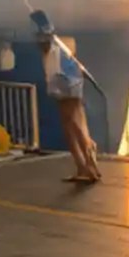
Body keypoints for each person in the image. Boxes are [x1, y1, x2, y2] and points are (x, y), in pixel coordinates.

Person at [38, 30, 101, 183]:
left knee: (70, 123)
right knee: (75, 121)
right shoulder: (62, 49)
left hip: (64, 84)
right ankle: (83, 164)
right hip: (71, 82)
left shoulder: (53, 49)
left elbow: (53, 70)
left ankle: (88, 159)